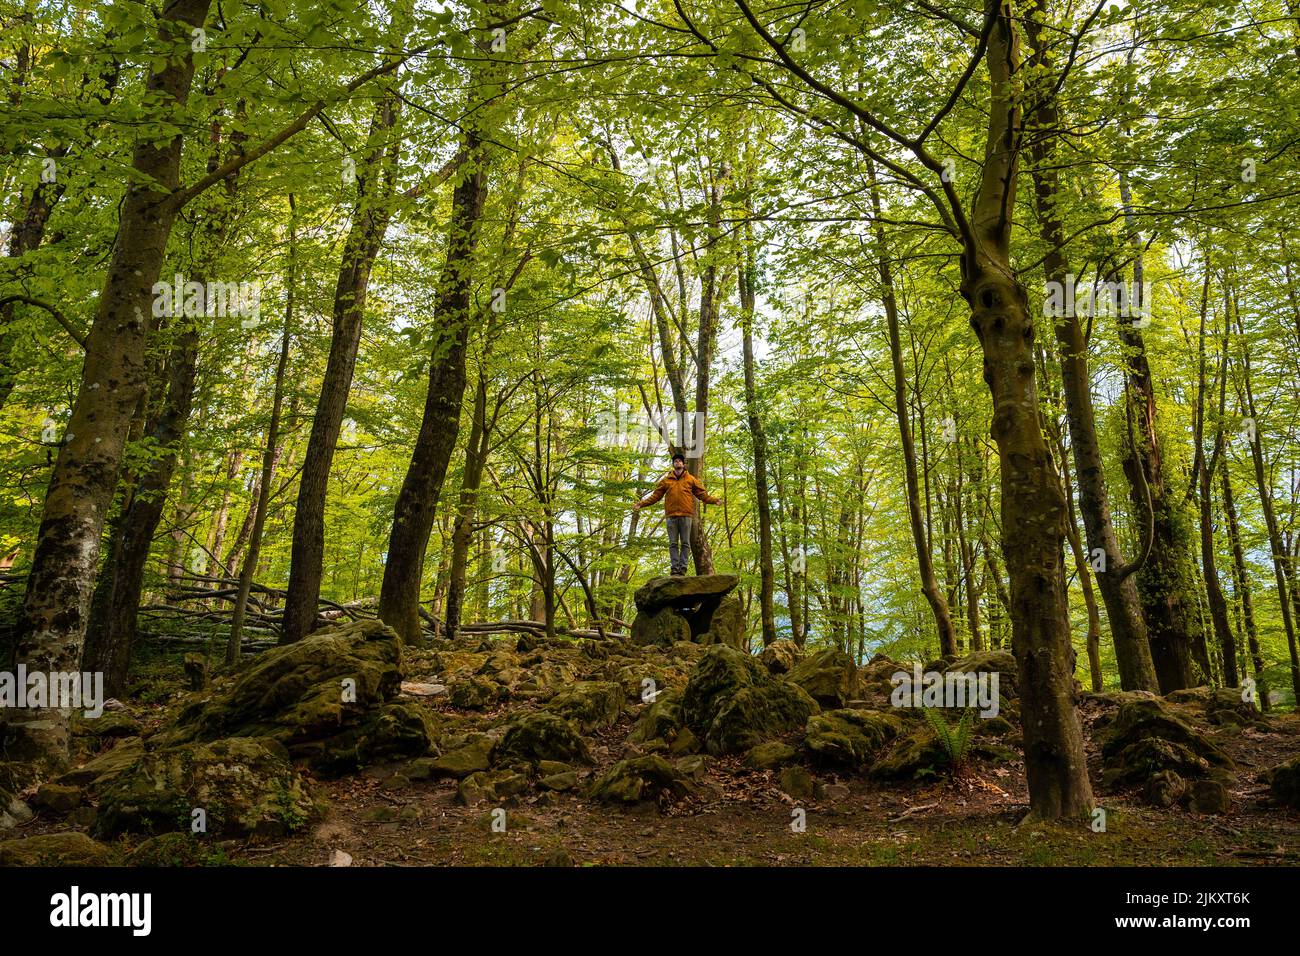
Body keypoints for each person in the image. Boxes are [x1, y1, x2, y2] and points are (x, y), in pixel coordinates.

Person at [633, 453, 723, 575]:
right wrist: (641, 504)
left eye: (680, 461)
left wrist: (714, 500)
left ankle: (683, 568)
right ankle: (675, 568)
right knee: (673, 543)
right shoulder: (666, 481)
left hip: (686, 515)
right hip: (671, 516)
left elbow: (702, 494)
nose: (678, 462)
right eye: (675, 461)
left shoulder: (690, 479)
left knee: (685, 543)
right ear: (673, 464)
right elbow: (655, 496)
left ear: (683, 464)